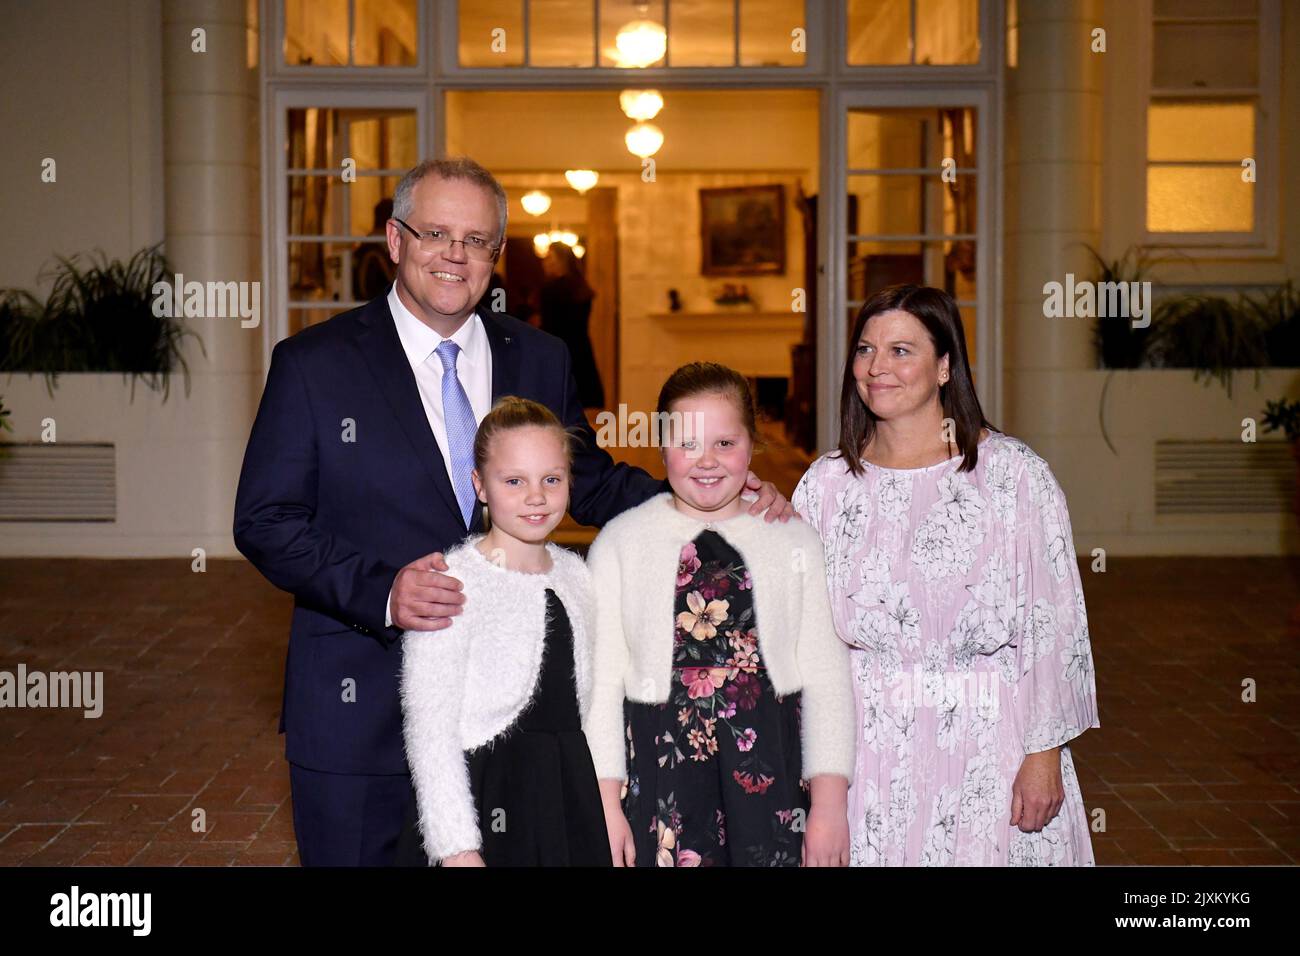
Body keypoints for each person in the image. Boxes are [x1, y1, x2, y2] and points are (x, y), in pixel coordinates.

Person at [232, 156, 794, 866]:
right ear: (395, 240)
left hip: (513, 721)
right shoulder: (315, 364)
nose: (455, 255)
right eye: (436, 232)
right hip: (361, 703)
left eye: (477, 241)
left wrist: (715, 499)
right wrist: (380, 590)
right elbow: (265, 518)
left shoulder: (538, 356)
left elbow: (585, 481)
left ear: (496, 256)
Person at [791, 284, 1100, 866]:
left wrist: (1043, 756)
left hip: (989, 749)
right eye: (865, 350)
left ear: (945, 367)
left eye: (901, 351)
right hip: (868, 756)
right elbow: (805, 640)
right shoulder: (826, 486)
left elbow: (1053, 624)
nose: (877, 367)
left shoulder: (1013, 478)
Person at [585, 363, 855, 867]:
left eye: (725, 444)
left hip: (770, 781)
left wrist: (830, 804)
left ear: (752, 446)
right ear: (661, 447)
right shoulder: (620, 543)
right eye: (687, 444)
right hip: (660, 784)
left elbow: (827, 676)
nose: (706, 461)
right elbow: (600, 687)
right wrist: (605, 801)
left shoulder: (792, 538)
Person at [396, 397, 609, 867]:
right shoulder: (452, 583)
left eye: (551, 479)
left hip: (567, 799)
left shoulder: (578, 577)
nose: (536, 496)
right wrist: (457, 847)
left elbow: (592, 706)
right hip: (486, 796)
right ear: (481, 486)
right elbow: (430, 728)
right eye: (514, 481)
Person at [539, 243, 604, 408]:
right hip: (581, 350)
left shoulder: (552, 289)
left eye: (550, 258)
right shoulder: (581, 287)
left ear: (561, 260)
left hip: (557, 351)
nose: (545, 262)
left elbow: (549, 327)